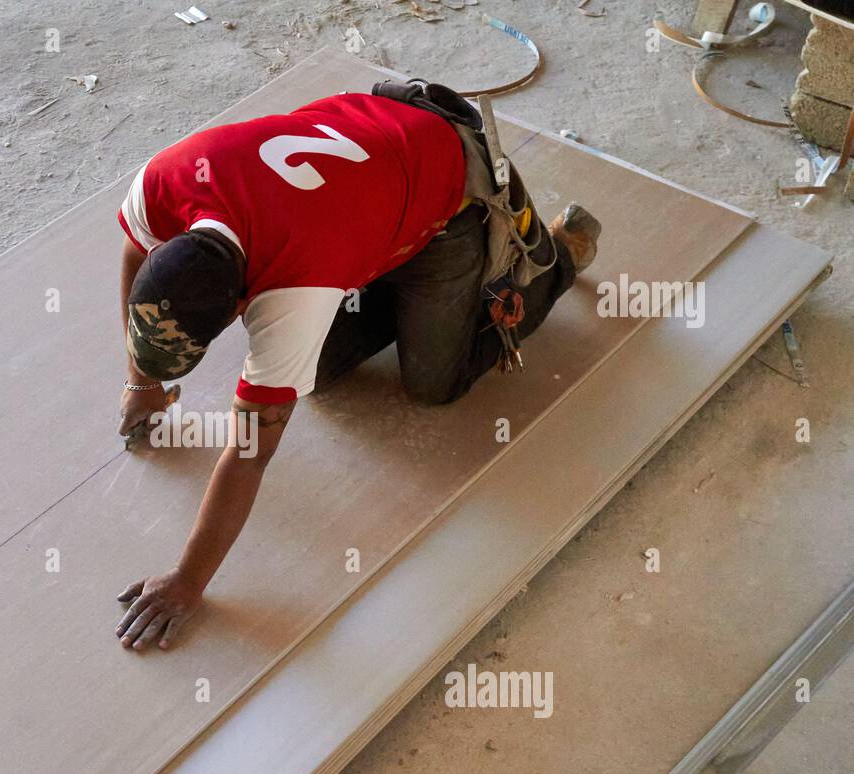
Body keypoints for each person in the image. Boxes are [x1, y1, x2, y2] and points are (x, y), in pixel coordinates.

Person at [113, 81, 601, 651]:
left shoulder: (295, 290)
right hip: (369, 180)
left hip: (446, 192)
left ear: (239, 306)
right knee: (315, 375)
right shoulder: (164, 181)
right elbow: (133, 251)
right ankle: (400, 285)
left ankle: (556, 260)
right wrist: (142, 383)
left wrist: (187, 581)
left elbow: (249, 455)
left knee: (434, 382)